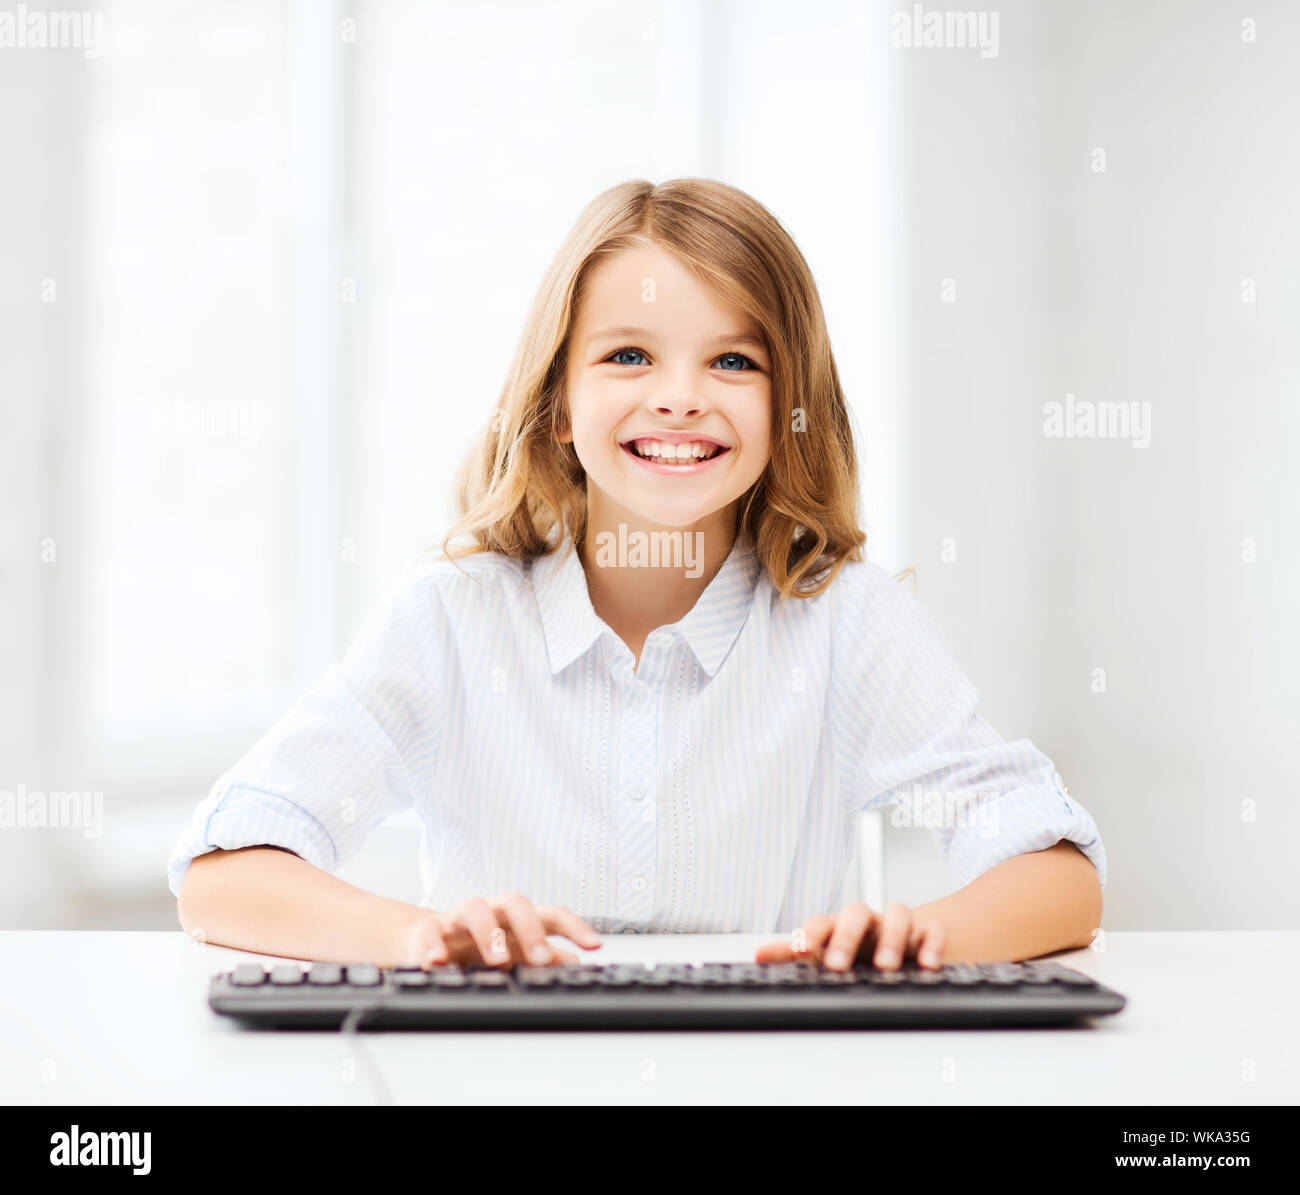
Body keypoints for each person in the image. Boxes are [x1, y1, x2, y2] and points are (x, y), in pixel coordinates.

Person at [169, 178, 1105, 973]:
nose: (680, 395)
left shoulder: (844, 621)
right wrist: (422, 936)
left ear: (790, 412)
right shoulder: (452, 618)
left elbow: (1060, 874)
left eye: (734, 360)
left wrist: (926, 937)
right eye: (628, 355)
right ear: (558, 408)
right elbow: (225, 872)